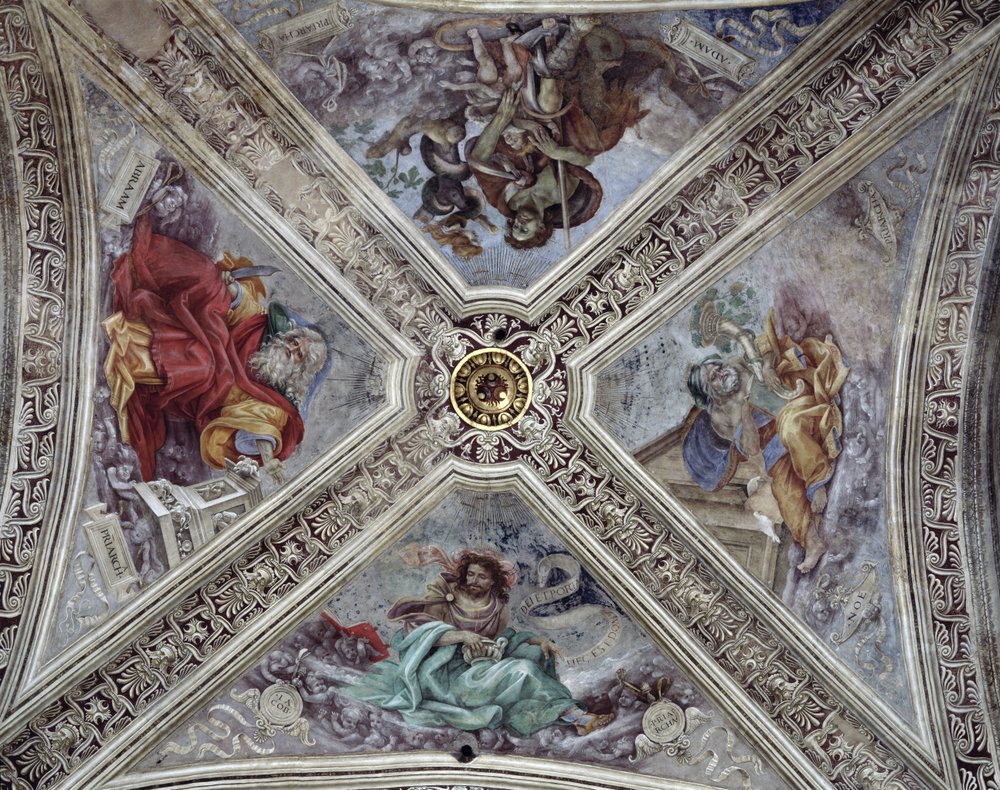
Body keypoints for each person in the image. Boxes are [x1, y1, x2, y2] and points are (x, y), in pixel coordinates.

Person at [103, 213, 327, 483]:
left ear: (299, 368)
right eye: (293, 342)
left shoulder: (276, 403)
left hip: (206, 389)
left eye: (298, 354)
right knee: (210, 280)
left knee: (202, 364)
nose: (291, 350)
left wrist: (269, 460)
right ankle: (141, 258)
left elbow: (262, 430)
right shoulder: (263, 330)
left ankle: (132, 358)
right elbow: (242, 308)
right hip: (205, 331)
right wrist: (230, 292)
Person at [347, 546, 614, 737]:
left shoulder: (497, 606)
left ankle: (575, 719)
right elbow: (421, 634)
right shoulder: (445, 594)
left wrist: (537, 640)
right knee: (523, 670)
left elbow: (502, 641)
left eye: (482, 577)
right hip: (445, 676)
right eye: (471, 574)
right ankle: (579, 719)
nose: (474, 580)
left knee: (532, 657)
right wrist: (461, 636)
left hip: (480, 667)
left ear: (493, 581)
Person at [683, 310, 849, 572]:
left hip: (799, 403)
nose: (720, 372)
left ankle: (817, 481)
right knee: (782, 487)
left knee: (791, 428)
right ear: (710, 394)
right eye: (712, 377)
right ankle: (813, 542)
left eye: (716, 366)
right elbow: (750, 448)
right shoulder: (721, 417)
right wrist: (746, 413)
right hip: (776, 444)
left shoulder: (738, 363)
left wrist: (769, 367)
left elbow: (768, 349)